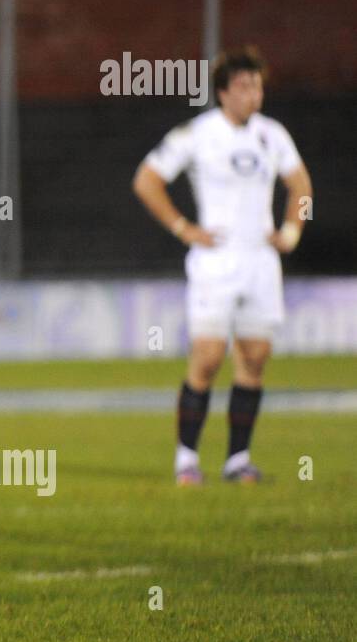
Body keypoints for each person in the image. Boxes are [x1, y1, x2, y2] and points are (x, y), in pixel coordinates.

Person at [132, 47, 312, 485]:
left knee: (254, 357)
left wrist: (292, 229)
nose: (255, 94)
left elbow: (301, 185)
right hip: (216, 262)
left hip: (260, 263)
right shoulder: (197, 134)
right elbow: (147, 179)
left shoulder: (273, 135)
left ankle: (237, 460)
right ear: (223, 93)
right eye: (245, 86)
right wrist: (182, 227)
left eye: (258, 85)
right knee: (209, 357)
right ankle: (186, 460)